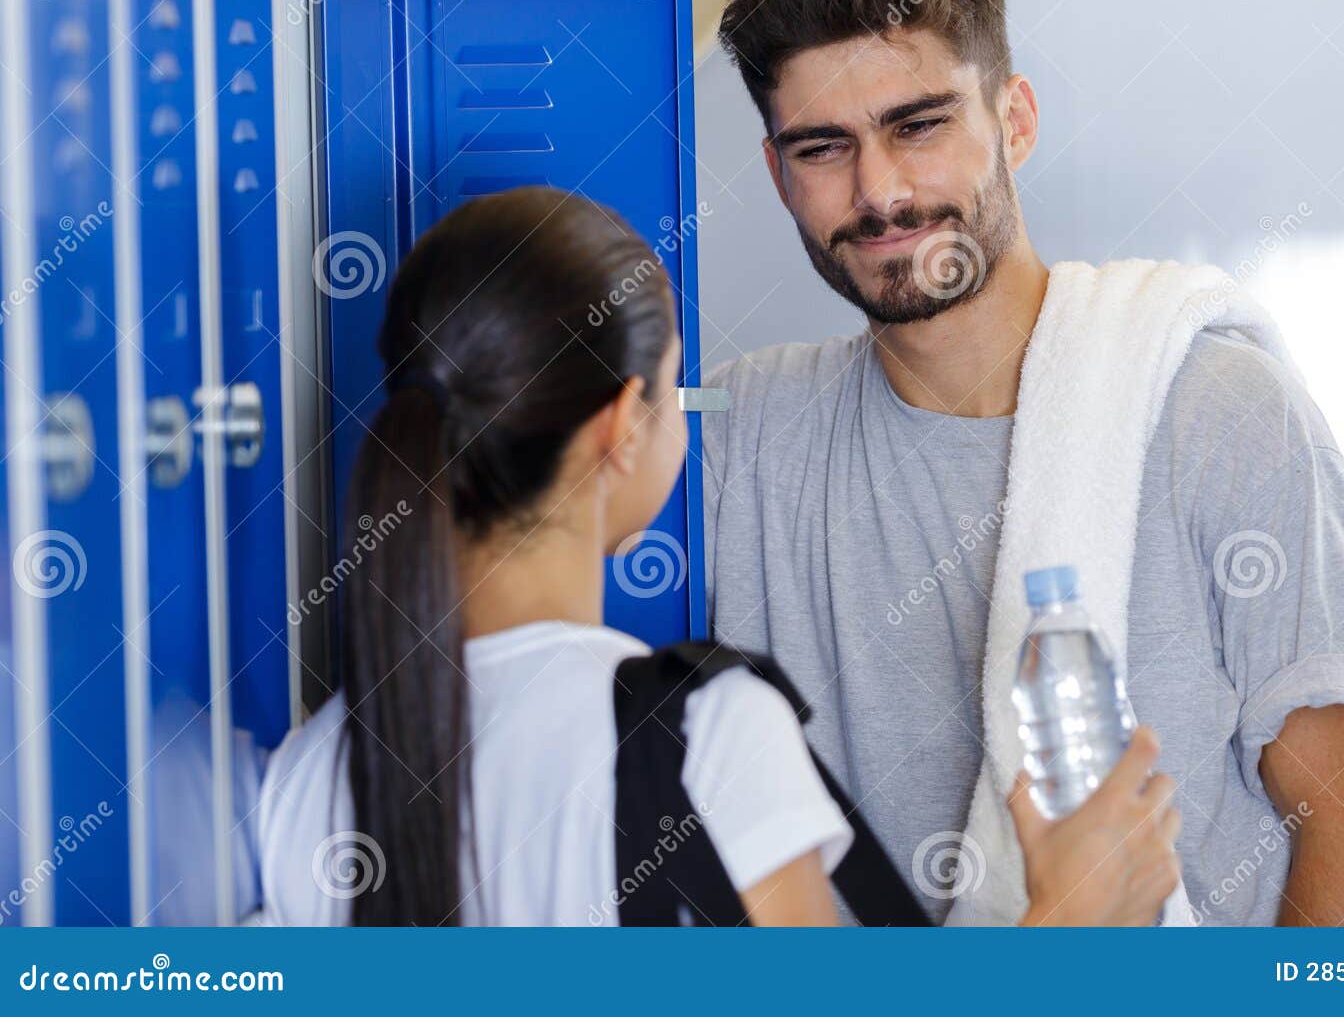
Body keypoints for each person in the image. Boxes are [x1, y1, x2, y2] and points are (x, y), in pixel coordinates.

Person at [417, 0, 1344, 926]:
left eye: (920, 125)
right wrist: (462, 72)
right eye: (822, 148)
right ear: (775, 173)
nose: (881, 191)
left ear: (1013, 119)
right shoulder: (741, 438)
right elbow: (499, 514)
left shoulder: (1213, 407)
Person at [255, 186, 1181, 926]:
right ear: (623, 427)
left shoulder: (309, 775)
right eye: (673, 392)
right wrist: (1074, 916)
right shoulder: (706, 737)